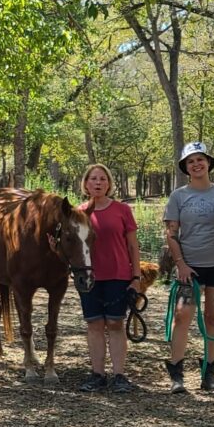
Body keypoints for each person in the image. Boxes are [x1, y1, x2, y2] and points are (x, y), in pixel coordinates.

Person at [163, 141, 214, 393]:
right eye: (191, 161)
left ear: (208, 163)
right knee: (183, 316)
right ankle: (176, 373)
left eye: (200, 159)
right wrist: (180, 264)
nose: (196, 164)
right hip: (190, 267)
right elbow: (171, 234)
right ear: (185, 167)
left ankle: (209, 373)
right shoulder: (179, 196)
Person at [76, 163, 140, 394]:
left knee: (115, 324)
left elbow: (133, 245)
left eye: (103, 179)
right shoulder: (78, 212)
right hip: (89, 277)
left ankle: (120, 375)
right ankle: (97, 374)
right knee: (94, 324)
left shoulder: (122, 210)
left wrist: (136, 276)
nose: (98, 183)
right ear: (86, 183)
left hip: (118, 274)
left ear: (109, 183)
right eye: (93, 179)